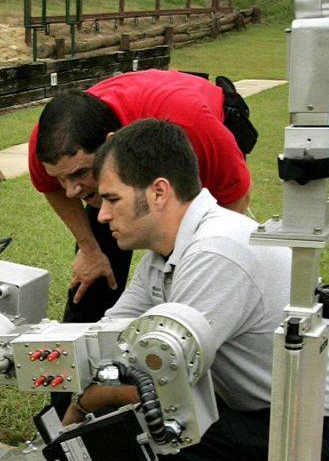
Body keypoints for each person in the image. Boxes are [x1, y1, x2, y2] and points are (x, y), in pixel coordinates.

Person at [63, 119, 329, 461]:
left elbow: (164, 385)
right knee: (112, 432)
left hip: (307, 436)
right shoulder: (165, 252)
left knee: (124, 445)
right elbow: (109, 337)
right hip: (261, 415)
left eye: (112, 199)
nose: (102, 215)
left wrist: (86, 404)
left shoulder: (216, 252)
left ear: (158, 193)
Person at [27, 70, 254, 324]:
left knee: (192, 258)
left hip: (192, 123)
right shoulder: (49, 139)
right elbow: (51, 188)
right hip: (131, 140)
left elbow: (234, 196)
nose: (72, 191)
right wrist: (90, 249)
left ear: (109, 145)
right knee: (97, 264)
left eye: (80, 173)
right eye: (62, 178)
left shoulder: (193, 125)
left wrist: (208, 261)